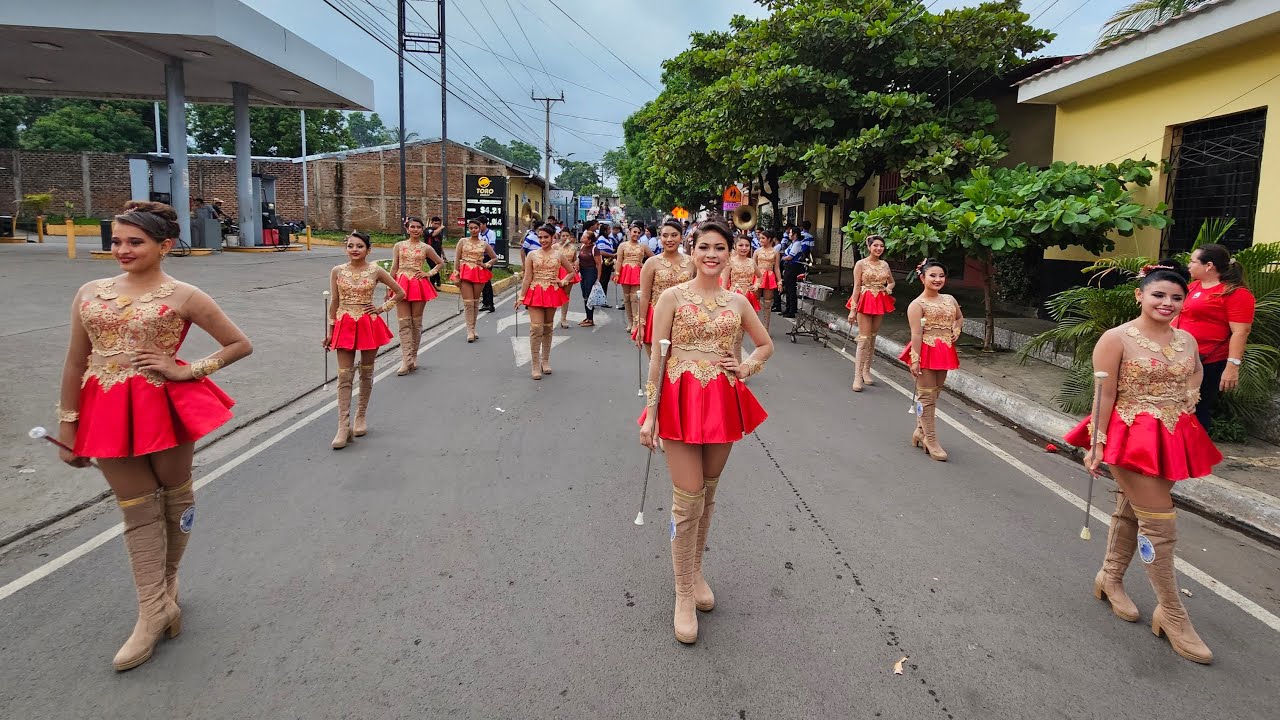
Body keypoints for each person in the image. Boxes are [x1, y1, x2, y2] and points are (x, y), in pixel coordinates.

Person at [57, 200, 253, 671]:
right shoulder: (90, 292)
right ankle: (151, 610)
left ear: (165, 246)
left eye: (134, 242)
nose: (121, 249)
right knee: (137, 508)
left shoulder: (184, 294)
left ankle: (167, 588)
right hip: (104, 408)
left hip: (162, 407)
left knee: (173, 496)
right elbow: (74, 359)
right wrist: (68, 422)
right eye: (116, 241)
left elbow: (239, 344)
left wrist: (188, 370)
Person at [1064, 262, 1221, 665]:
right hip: (1129, 436)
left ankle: (1110, 578)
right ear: (1140, 296)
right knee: (1161, 524)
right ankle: (1172, 614)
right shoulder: (1116, 338)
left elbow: (1196, 373)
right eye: (1158, 295)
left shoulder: (1186, 339)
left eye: (1175, 297)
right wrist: (1096, 445)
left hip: (1172, 436)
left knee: (1134, 511)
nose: (1167, 303)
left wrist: (1186, 398)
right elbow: (1105, 395)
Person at [639, 217, 772, 645]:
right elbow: (656, 358)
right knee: (687, 499)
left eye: (720, 247)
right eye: (704, 247)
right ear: (693, 252)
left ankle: (696, 572)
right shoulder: (671, 298)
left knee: (708, 495)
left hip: (721, 400)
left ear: (730, 253)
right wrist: (651, 413)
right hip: (678, 398)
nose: (711, 254)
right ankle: (681, 594)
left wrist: (746, 366)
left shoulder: (738, 301)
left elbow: (766, 344)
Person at [325, 231, 404, 449]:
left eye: (359, 246)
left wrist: (380, 309)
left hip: (368, 323)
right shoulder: (337, 271)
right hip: (344, 323)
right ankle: (343, 426)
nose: (354, 250)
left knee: (366, 372)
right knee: (344, 376)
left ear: (368, 249)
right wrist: (330, 331)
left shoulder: (376, 270)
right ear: (345, 249)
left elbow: (399, 292)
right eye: (350, 246)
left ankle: (360, 416)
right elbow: (334, 302)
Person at [1171, 243, 1256, 432]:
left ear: (1208, 266)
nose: (1189, 266)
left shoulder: (1235, 293)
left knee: (1197, 406)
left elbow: (1241, 331)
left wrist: (1232, 366)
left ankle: (1196, 455)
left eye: (1193, 261)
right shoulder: (1193, 287)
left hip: (1208, 360)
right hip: (1179, 356)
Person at [899, 259, 961, 461]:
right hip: (925, 351)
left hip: (944, 351)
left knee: (934, 396)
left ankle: (919, 431)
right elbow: (916, 334)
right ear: (922, 278)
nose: (937, 279)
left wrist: (957, 328)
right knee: (926, 397)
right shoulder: (917, 304)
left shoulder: (950, 299)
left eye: (941, 276)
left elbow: (959, 317)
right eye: (932, 275)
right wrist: (915, 360)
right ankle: (931, 440)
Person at [515, 224, 576, 379]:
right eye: (540, 237)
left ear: (552, 237)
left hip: (552, 292)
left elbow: (571, 272)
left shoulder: (559, 255)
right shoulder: (532, 255)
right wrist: (521, 297)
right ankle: (535, 365)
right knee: (536, 328)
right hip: (535, 292)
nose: (543, 240)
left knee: (548, 328)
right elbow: (527, 277)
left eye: (546, 237)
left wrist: (562, 282)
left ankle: (545, 361)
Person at [389, 217, 445, 375]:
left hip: (418, 285)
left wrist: (429, 273)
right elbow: (394, 267)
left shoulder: (426, 247)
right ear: (407, 229)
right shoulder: (398, 246)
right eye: (412, 227)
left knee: (416, 323)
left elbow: (440, 263)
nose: (415, 229)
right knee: (403, 323)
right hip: (401, 284)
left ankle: (413, 356)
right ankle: (406, 360)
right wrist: (390, 287)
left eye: (418, 227)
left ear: (422, 230)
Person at [633, 219, 694, 352]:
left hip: (686, 320)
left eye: (674, 235)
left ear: (681, 237)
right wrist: (640, 325)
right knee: (657, 366)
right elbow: (644, 296)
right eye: (665, 235)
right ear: (660, 238)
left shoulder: (692, 262)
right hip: (656, 317)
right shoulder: (652, 263)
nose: (669, 239)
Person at [846, 235, 896, 392]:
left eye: (881, 246)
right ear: (869, 247)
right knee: (864, 339)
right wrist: (853, 310)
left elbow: (892, 281)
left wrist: (889, 288)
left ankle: (867, 370)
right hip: (865, 300)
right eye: (875, 245)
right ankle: (857, 376)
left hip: (879, 300)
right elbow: (856, 287)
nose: (879, 248)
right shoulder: (861, 264)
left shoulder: (885, 265)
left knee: (873, 337)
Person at [452, 219, 498, 342]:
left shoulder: (484, 243)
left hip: (479, 273)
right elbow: (457, 259)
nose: (473, 230)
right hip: (465, 272)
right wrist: (456, 274)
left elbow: (494, 257)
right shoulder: (462, 241)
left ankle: (474, 327)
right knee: (468, 303)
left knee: (476, 302)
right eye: (471, 228)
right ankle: (469, 330)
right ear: (468, 228)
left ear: (480, 228)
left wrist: (486, 265)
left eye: (475, 228)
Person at [723, 234, 761, 361]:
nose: (744, 248)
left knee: (741, 334)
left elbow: (759, 276)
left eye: (747, 246)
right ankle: (737, 366)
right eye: (741, 245)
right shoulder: (730, 262)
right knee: (736, 335)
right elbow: (723, 284)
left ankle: (736, 366)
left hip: (748, 299)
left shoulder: (751, 262)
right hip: (734, 299)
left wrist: (756, 285)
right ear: (735, 246)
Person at [616, 221, 653, 334]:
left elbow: (653, 258)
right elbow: (619, 260)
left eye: (638, 232)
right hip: (625, 272)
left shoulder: (643, 246)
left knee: (635, 298)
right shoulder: (622, 245)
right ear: (629, 232)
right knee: (626, 298)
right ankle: (630, 322)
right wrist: (617, 273)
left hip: (637, 272)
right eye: (634, 232)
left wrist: (644, 266)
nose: (636, 234)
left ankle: (636, 324)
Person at [780, 226, 813, 318]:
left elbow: (790, 256)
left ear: (795, 235)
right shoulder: (792, 243)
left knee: (791, 289)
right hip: (789, 267)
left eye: (790, 233)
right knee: (788, 289)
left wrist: (782, 258)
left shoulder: (797, 244)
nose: (789, 234)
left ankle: (791, 310)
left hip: (793, 267)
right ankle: (788, 308)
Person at [753, 229, 782, 330]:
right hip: (758, 277)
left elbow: (777, 268)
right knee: (755, 302)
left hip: (769, 277)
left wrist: (779, 281)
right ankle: (755, 327)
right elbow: (753, 266)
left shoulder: (775, 252)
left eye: (763, 238)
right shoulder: (757, 251)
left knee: (767, 303)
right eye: (760, 238)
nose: (760, 240)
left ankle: (766, 328)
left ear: (769, 239)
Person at [555, 228, 581, 329]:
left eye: (567, 236)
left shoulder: (573, 248)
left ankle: (563, 318)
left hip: (568, 272)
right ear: (559, 236)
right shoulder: (555, 247)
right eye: (563, 236)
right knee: (554, 293)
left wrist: (576, 263)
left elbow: (574, 259)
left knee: (566, 295)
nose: (565, 238)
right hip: (557, 271)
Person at [577, 230, 602, 327]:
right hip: (583, 273)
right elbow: (579, 258)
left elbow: (599, 264)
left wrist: (598, 278)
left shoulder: (594, 249)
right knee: (585, 295)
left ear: (589, 240)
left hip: (591, 273)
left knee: (589, 295)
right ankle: (587, 317)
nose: (582, 238)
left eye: (584, 237)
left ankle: (590, 319)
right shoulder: (582, 246)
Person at [477, 218, 498, 312]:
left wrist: (483, 252)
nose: (479, 226)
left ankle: (490, 303)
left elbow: (492, 247)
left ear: (485, 224)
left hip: (487, 258)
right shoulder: (478, 234)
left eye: (480, 224)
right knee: (482, 281)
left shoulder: (491, 233)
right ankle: (486, 302)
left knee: (486, 280)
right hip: (479, 258)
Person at [595, 225, 617, 308]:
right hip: (604, 261)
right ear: (605, 231)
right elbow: (601, 251)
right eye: (608, 229)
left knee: (605, 281)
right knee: (603, 281)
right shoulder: (601, 239)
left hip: (608, 261)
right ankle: (601, 300)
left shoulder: (608, 239)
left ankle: (602, 299)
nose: (610, 231)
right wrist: (612, 255)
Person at [426, 216, 447, 289]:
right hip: (429, 254)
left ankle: (432, 285)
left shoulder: (439, 234)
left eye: (438, 224)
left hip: (437, 254)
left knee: (435, 268)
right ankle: (437, 280)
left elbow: (440, 245)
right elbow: (433, 234)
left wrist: (443, 255)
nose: (437, 225)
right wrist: (441, 227)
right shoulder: (428, 230)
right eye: (435, 223)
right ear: (431, 223)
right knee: (433, 267)